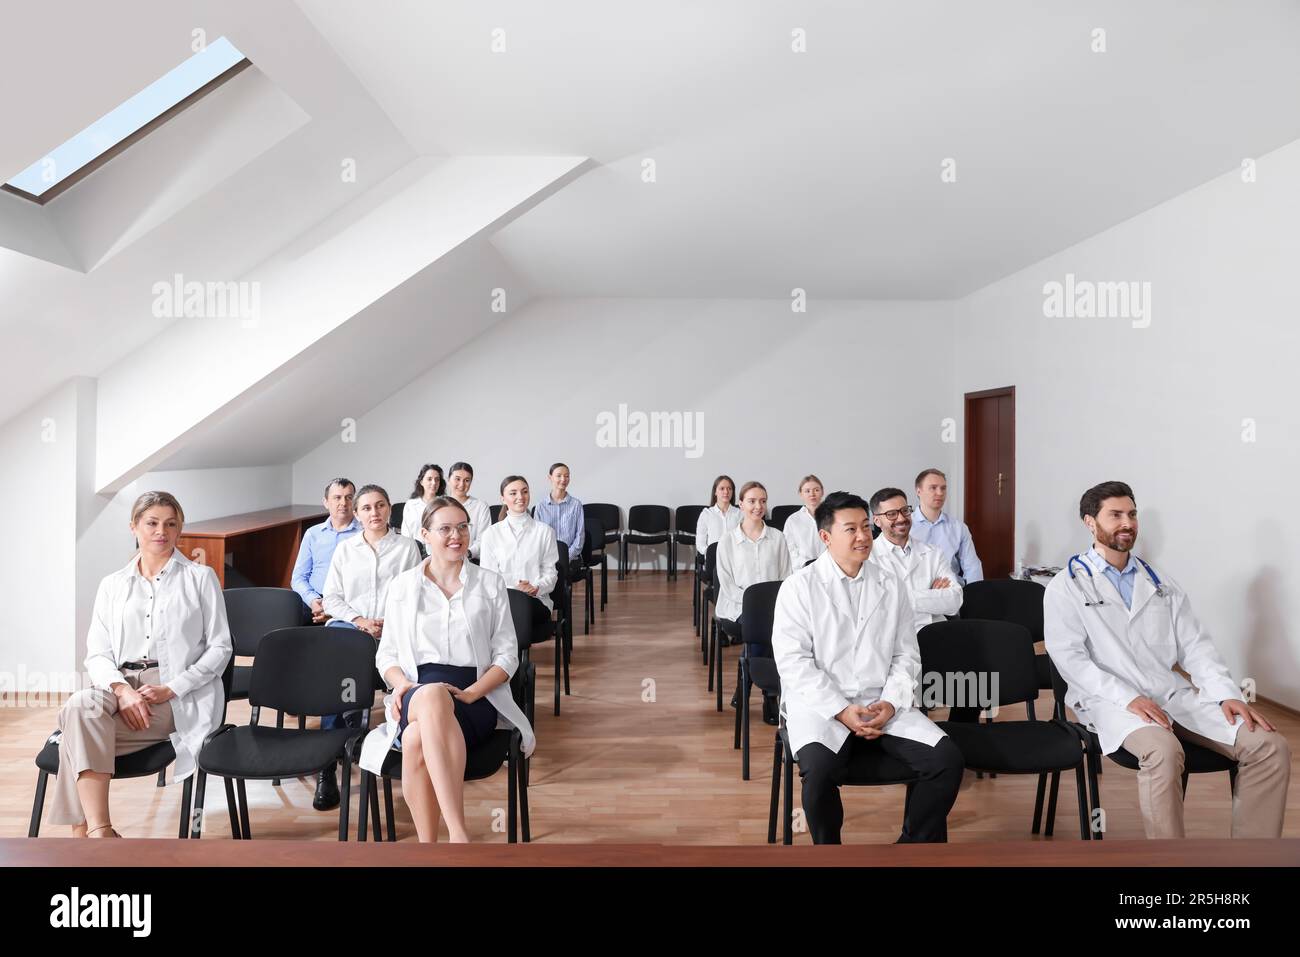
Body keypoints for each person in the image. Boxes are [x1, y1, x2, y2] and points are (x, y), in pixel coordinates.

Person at [1044, 481, 1290, 839]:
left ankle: (1253, 857)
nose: (1126, 523)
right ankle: (1169, 861)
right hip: (1111, 701)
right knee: (1163, 750)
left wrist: (1226, 694)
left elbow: (1195, 646)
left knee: (1269, 746)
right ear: (1090, 523)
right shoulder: (1066, 586)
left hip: (1170, 694)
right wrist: (1128, 698)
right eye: (1115, 515)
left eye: (1131, 514)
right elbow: (1070, 659)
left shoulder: (1162, 584)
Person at [771, 491, 964, 844]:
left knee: (947, 761)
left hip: (881, 701)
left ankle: (909, 849)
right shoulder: (798, 588)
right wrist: (842, 711)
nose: (863, 537)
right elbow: (793, 663)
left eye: (865, 527)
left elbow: (906, 655)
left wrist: (890, 702)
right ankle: (831, 855)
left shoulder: (892, 584)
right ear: (826, 537)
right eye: (851, 529)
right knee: (819, 773)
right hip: (822, 708)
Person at [48, 491, 232, 837]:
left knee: (77, 730)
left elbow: (220, 648)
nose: (160, 531)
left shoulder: (200, 578)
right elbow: (97, 653)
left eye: (170, 524)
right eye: (151, 523)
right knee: (80, 706)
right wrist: (120, 690)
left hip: (174, 690)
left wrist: (171, 688)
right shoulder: (112, 585)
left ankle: (84, 831)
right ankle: (101, 830)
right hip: (117, 683)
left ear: (180, 530)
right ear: (134, 526)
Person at [359, 496, 535, 842]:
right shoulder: (403, 586)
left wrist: (472, 692)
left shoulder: (490, 583)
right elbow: (387, 655)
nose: (457, 535)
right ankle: (458, 834)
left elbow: (507, 656)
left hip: (475, 696)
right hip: (416, 690)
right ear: (424, 534)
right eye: (445, 529)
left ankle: (429, 849)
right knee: (431, 695)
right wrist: (402, 686)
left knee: (414, 740)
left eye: (463, 527)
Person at [317, 484, 421, 810]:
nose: (373, 513)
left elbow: (416, 595)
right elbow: (331, 597)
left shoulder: (407, 548)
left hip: (395, 629)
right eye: (366, 508)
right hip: (352, 627)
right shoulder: (346, 550)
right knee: (336, 677)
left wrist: (388, 622)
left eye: (380, 506)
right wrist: (360, 619)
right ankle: (328, 762)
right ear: (357, 513)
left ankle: (393, 749)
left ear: (390, 508)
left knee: (409, 671)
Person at [716, 481, 792, 724]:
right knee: (763, 631)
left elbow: (786, 578)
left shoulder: (778, 538)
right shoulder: (727, 541)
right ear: (741, 504)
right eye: (752, 501)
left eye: (762, 501)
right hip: (736, 609)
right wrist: (754, 607)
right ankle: (769, 694)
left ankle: (745, 682)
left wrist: (770, 608)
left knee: (771, 628)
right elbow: (727, 585)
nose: (758, 506)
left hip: (773, 608)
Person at [867, 487, 963, 631]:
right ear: (877, 521)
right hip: (891, 640)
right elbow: (874, 608)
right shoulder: (867, 557)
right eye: (891, 514)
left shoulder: (933, 553)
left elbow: (954, 601)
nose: (901, 518)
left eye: (905, 510)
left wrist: (897, 596)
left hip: (936, 635)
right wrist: (932, 596)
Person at [479, 475, 560, 637]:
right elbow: (488, 576)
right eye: (513, 493)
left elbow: (551, 573)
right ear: (503, 498)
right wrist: (513, 591)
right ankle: (512, 659)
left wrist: (535, 587)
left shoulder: (545, 532)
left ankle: (511, 660)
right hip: (501, 600)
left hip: (536, 601)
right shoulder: (491, 534)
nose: (520, 497)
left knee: (518, 608)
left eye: (524, 492)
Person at [291, 478, 360, 623]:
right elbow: (298, 577)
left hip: (350, 602)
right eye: (337, 498)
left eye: (349, 497)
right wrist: (313, 600)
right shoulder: (313, 533)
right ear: (326, 502)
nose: (343, 503)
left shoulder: (364, 533)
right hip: (315, 601)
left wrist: (336, 608)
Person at [911, 468, 983, 585]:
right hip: (917, 593)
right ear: (918, 491)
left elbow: (973, 567)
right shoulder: (906, 526)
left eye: (943, 488)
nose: (940, 493)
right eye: (933, 488)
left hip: (952, 591)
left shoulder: (959, 528)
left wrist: (977, 596)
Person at [533, 462, 585, 573]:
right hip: (547, 558)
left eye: (567, 476)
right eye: (559, 475)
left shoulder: (576, 505)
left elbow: (579, 537)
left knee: (561, 573)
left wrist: (566, 557)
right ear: (550, 477)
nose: (563, 479)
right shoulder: (540, 506)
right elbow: (538, 537)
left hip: (571, 558)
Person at [446, 462, 493, 560]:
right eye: (457, 479)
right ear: (448, 479)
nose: (462, 484)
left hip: (470, 559)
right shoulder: (438, 505)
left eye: (467, 480)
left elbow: (484, 540)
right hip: (443, 559)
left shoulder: (480, 506)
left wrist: (467, 553)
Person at [784, 474, 827, 568]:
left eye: (816, 490)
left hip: (829, 566)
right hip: (802, 569)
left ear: (822, 492)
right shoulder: (793, 520)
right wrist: (803, 564)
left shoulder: (831, 516)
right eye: (807, 491)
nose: (812, 494)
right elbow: (789, 549)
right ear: (800, 494)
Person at [694, 475, 741, 558]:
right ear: (715, 492)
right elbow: (700, 543)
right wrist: (710, 554)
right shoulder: (706, 514)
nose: (726, 492)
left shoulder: (739, 513)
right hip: (713, 559)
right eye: (722, 488)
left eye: (729, 488)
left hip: (734, 559)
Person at [400, 464, 447, 541]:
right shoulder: (411, 505)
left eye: (437, 479)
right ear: (421, 482)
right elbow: (406, 533)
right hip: (415, 549)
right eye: (429, 479)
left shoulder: (444, 504)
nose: (434, 483)